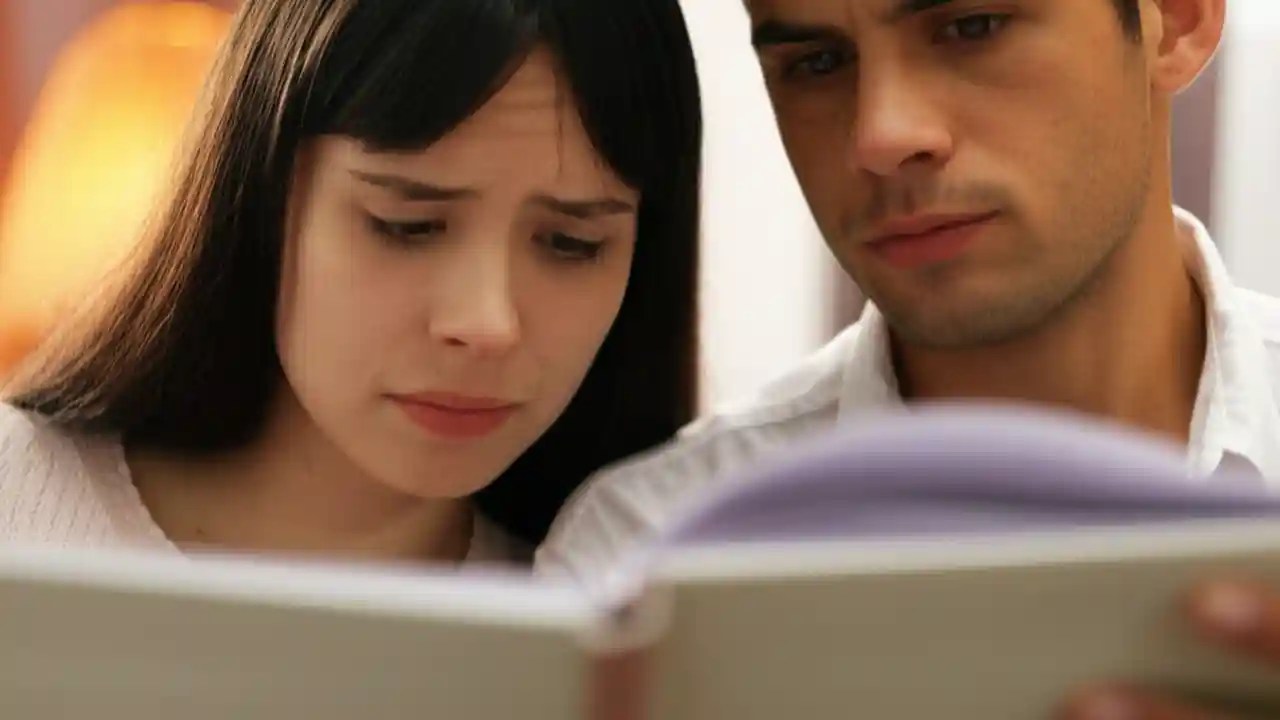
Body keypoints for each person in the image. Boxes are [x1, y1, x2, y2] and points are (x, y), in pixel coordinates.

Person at [538, 0, 1280, 714]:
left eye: (972, 27)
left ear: (1177, 19)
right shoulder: (643, 566)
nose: (882, 134)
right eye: (818, 62)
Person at [0, 0, 702, 566]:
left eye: (570, 244)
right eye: (409, 225)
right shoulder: (21, 505)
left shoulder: (620, 622)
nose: (488, 321)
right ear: (257, 194)